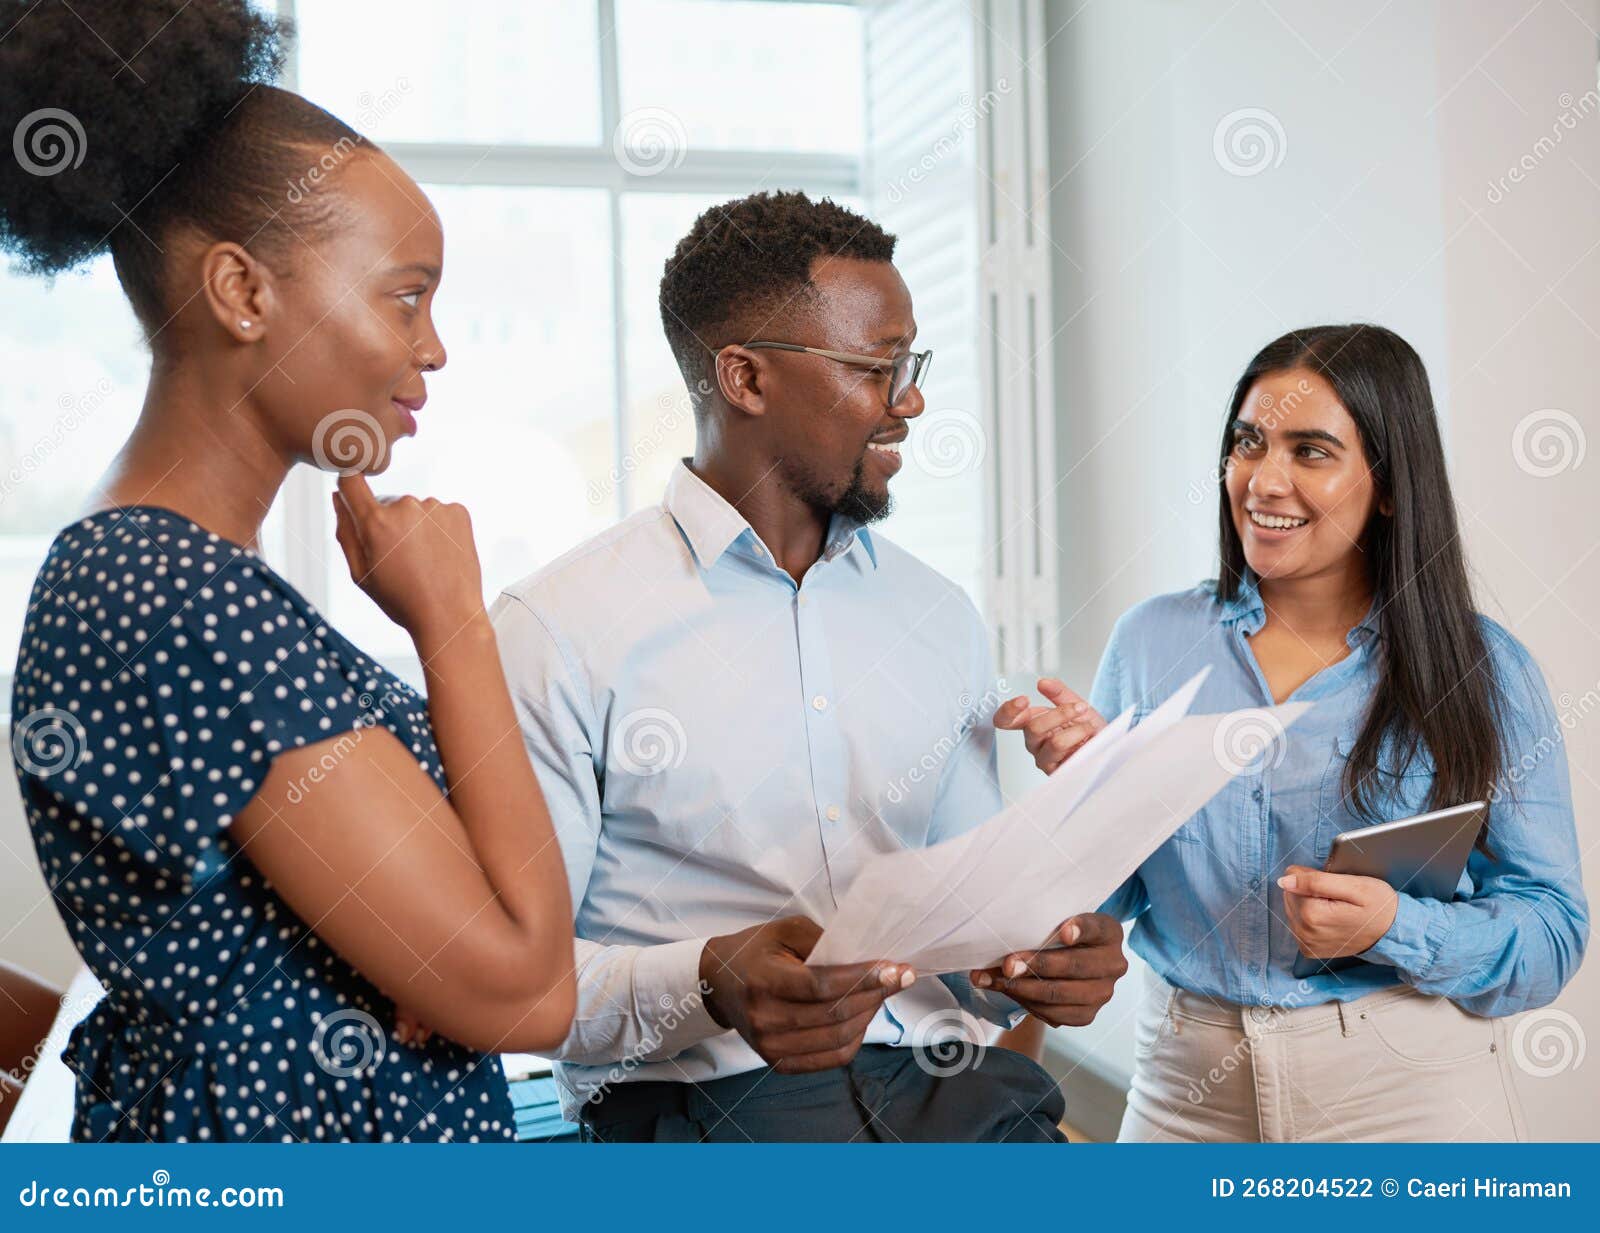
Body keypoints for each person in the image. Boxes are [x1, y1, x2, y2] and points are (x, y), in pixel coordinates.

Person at [2, 0, 574, 1142]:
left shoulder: (191, 576)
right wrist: (452, 621)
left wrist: (425, 958)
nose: (434, 347)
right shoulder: (172, 593)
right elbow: (527, 986)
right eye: (404, 293)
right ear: (242, 292)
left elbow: (480, 941)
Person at [486, 191, 1128, 1143]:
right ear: (744, 378)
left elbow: (970, 938)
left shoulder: (936, 616)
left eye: (910, 367)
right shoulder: (558, 628)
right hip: (702, 1117)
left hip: (957, 1101)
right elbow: (513, 985)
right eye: (877, 370)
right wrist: (709, 978)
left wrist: (1042, 956)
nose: (909, 401)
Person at [997, 324, 1588, 1142]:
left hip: (1406, 1097)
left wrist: (1396, 926)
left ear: (1387, 484)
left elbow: (1552, 929)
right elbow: (1099, 904)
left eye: (1310, 451)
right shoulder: (1152, 641)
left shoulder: (1482, 667)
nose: (1263, 480)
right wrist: (1092, 790)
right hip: (1183, 1091)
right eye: (1249, 442)